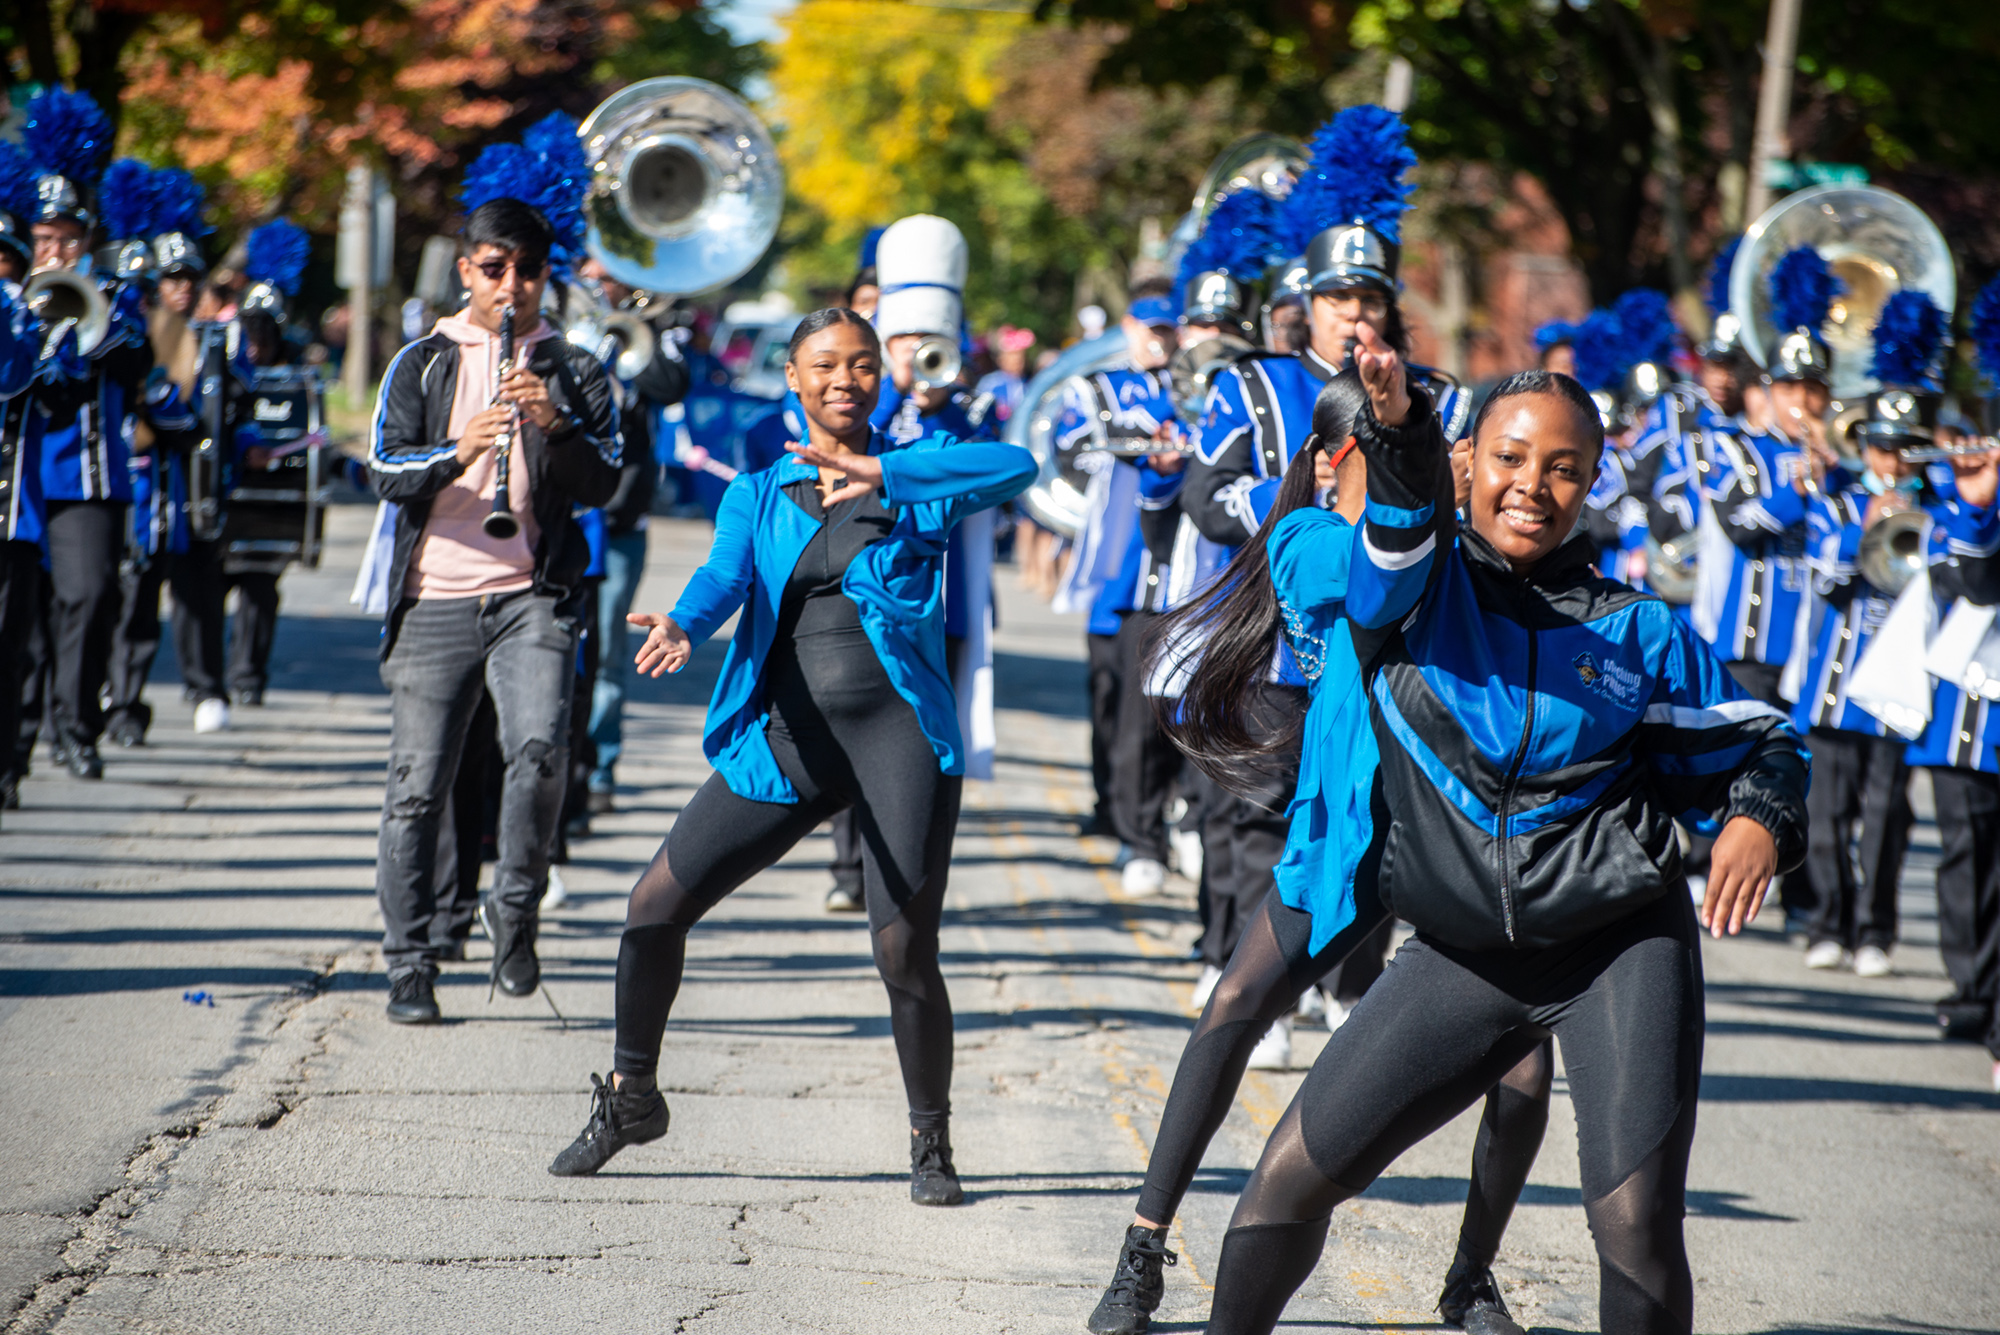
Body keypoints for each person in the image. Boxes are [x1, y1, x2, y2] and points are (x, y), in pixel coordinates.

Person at [1195, 345, 1808, 1335]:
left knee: (1633, 1222)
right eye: (1513, 459)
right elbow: (1390, 544)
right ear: (1468, 461)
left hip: (1616, 947)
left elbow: (1758, 737)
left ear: (1591, 481)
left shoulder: (1637, 632)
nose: (1534, 486)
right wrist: (1397, 442)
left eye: (1563, 468)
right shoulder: (1412, 597)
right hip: (1462, 954)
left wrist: (1755, 819)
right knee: (1285, 1184)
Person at [1087, 370, 1553, 1335]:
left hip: (1460, 841)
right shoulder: (1306, 542)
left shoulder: (1457, 542)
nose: (1438, 461)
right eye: (1402, 448)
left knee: (1523, 1058)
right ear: (1340, 460)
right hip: (1353, 832)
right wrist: (1431, 484)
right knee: (1234, 1004)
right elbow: (1390, 564)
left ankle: (1471, 1273)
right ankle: (1143, 1243)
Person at [546, 308, 1036, 1205]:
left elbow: (1017, 466)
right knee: (654, 903)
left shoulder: (915, 476)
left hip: (900, 740)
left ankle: (932, 1143)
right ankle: (631, 1098)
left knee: (902, 952)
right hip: (790, 741)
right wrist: (686, 624)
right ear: (796, 382)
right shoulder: (760, 490)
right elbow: (725, 577)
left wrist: (882, 470)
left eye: (861, 364)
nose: (846, 378)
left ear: (880, 380)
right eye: (825, 365)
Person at [1181, 106, 1468, 1031]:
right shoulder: (1250, 381)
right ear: (1307, 299)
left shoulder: (1438, 397)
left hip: (1391, 649)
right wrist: (1296, 512)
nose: (1354, 313)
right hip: (1274, 643)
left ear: (1388, 306)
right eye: (1339, 298)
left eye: (1370, 298)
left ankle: (1350, 990)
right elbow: (1203, 493)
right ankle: (1249, 984)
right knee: (1261, 820)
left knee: (1374, 826)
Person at [365, 193, 621, 1024]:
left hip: (532, 594)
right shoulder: (422, 362)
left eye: (527, 272)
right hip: (435, 592)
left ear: (547, 277)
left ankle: (515, 909)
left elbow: (611, 479)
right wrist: (459, 449)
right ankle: (410, 961)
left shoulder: (575, 368)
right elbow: (382, 467)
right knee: (417, 787)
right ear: (466, 269)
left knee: (542, 750)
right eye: (492, 269)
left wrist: (551, 425)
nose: (509, 286)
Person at [1054, 281, 1185, 889]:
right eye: (1151, 328)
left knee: (1159, 707)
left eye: (1169, 328)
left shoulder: (1198, 385)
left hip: (1177, 573)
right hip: (1116, 568)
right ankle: (1114, 808)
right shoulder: (1096, 386)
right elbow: (1066, 451)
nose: (1161, 339)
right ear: (1130, 326)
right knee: (1110, 699)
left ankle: (1149, 827)